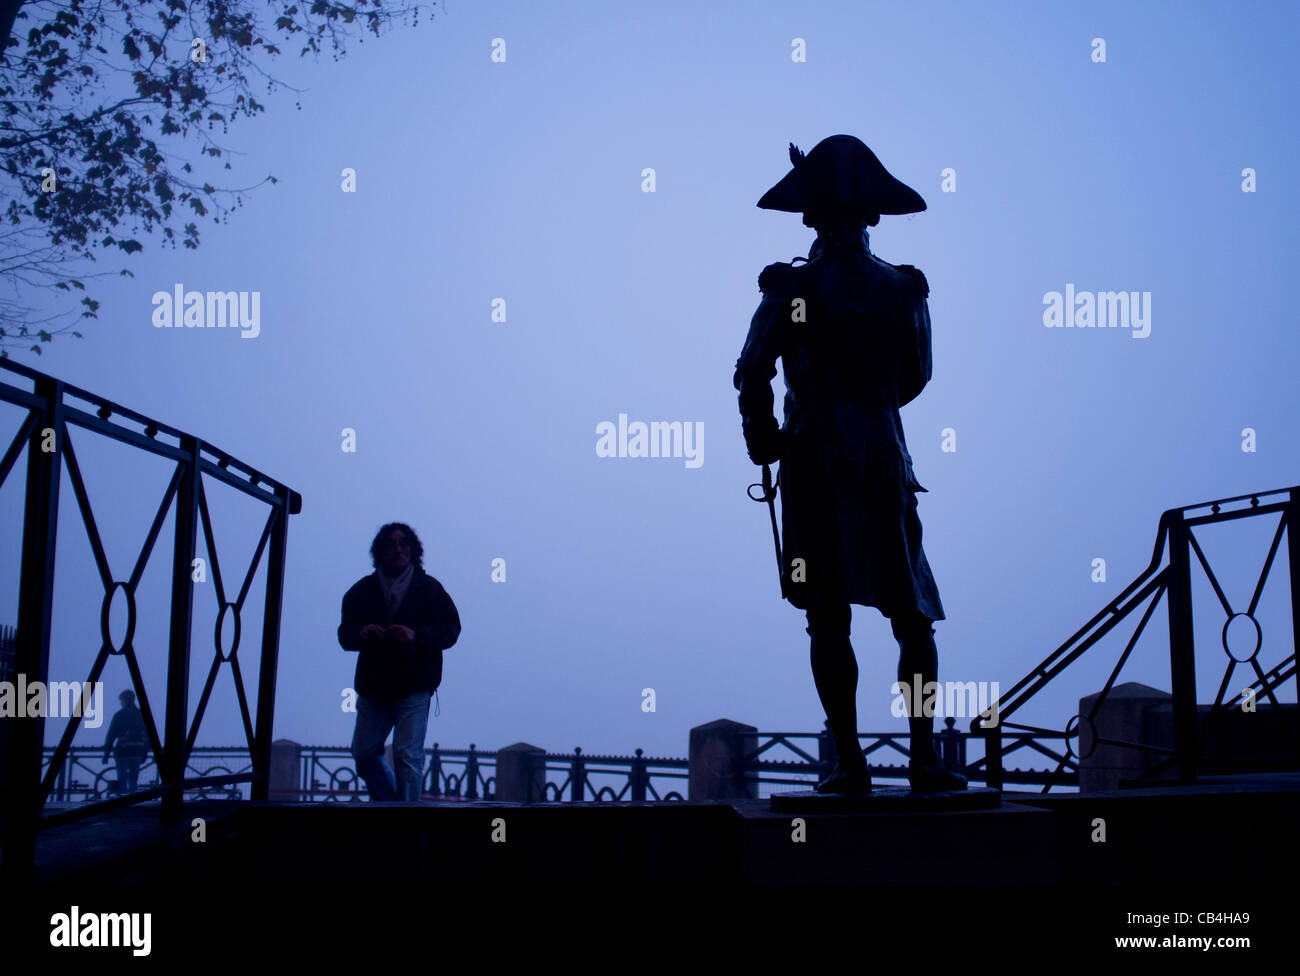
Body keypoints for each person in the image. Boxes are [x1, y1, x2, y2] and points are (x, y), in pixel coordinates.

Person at [734, 134, 968, 795]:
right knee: (911, 614)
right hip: (884, 459)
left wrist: (767, 437)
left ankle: (850, 765)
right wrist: (868, 407)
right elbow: (914, 378)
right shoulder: (903, 291)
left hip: (813, 461)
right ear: (872, 219)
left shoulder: (793, 289)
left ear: (812, 220)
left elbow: (753, 368)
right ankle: (924, 760)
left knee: (827, 613)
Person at [338, 522, 461, 801]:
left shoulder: (430, 590)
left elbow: (451, 630)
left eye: (403, 543)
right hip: (374, 686)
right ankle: (392, 806)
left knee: (408, 757)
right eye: (391, 544)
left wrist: (415, 636)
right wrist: (362, 633)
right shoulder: (361, 592)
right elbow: (345, 634)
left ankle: (404, 822)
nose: (397, 549)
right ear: (379, 551)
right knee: (364, 753)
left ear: (412, 550)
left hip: (414, 684)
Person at [103, 689, 148, 794]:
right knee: (133, 780)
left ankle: (122, 801)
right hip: (137, 751)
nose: (121, 703)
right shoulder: (141, 715)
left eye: (121, 701)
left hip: (123, 752)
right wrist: (145, 752)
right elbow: (147, 735)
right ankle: (133, 800)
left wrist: (106, 754)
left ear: (125, 700)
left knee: (122, 780)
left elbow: (111, 735)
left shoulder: (119, 715)